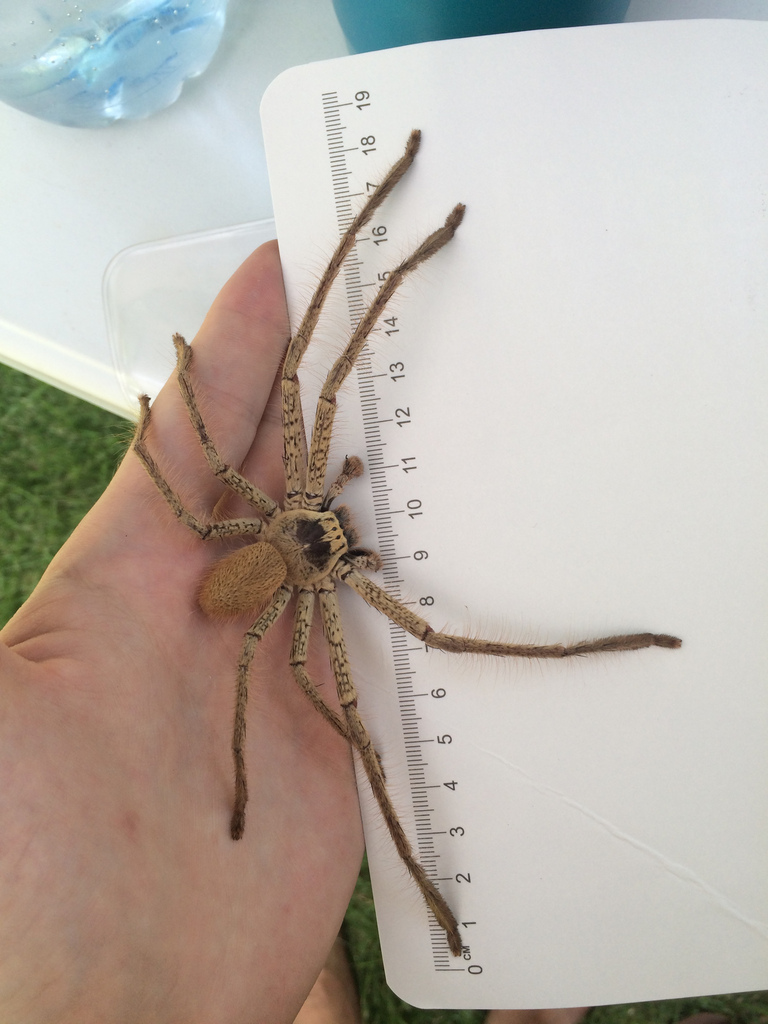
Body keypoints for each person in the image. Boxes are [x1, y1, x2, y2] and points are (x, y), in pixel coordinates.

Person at [0, 244, 724, 1024]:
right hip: (265, 577)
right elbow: (296, 667)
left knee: (321, 382)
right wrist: (241, 776)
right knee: (425, 653)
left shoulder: (275, 504)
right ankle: (432, 883)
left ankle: (412, 255)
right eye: (327, 528)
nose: (333, 530)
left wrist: (155, 426)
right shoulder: (285, 579)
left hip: (270, 561)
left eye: (328, 524)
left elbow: (232, 446)